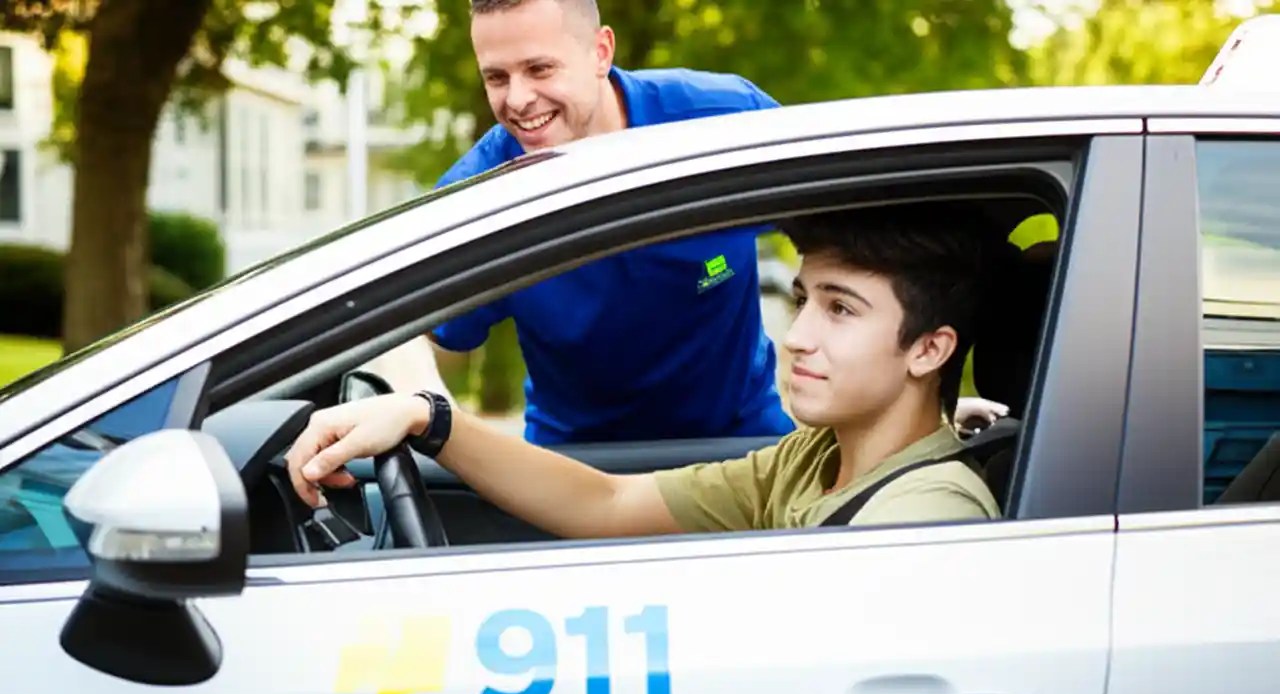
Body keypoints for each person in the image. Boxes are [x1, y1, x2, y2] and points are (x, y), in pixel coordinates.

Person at [286, 204, 1003, 534]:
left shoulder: (925, 517)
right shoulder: (810, 459)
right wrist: (428, 417)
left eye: (841, 311)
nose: (797, 338)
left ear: (929, 349)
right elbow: (607, 504)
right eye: (802, 301)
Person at [370, 0, 797, 446]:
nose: (517, 100)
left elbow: (840, 232)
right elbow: (415, 331)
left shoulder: (722, 119)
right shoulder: (480, 193)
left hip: (743, 449)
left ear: (601, 52)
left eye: (539, 69)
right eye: (496, 77)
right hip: (577, 472)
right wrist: (432, 418)